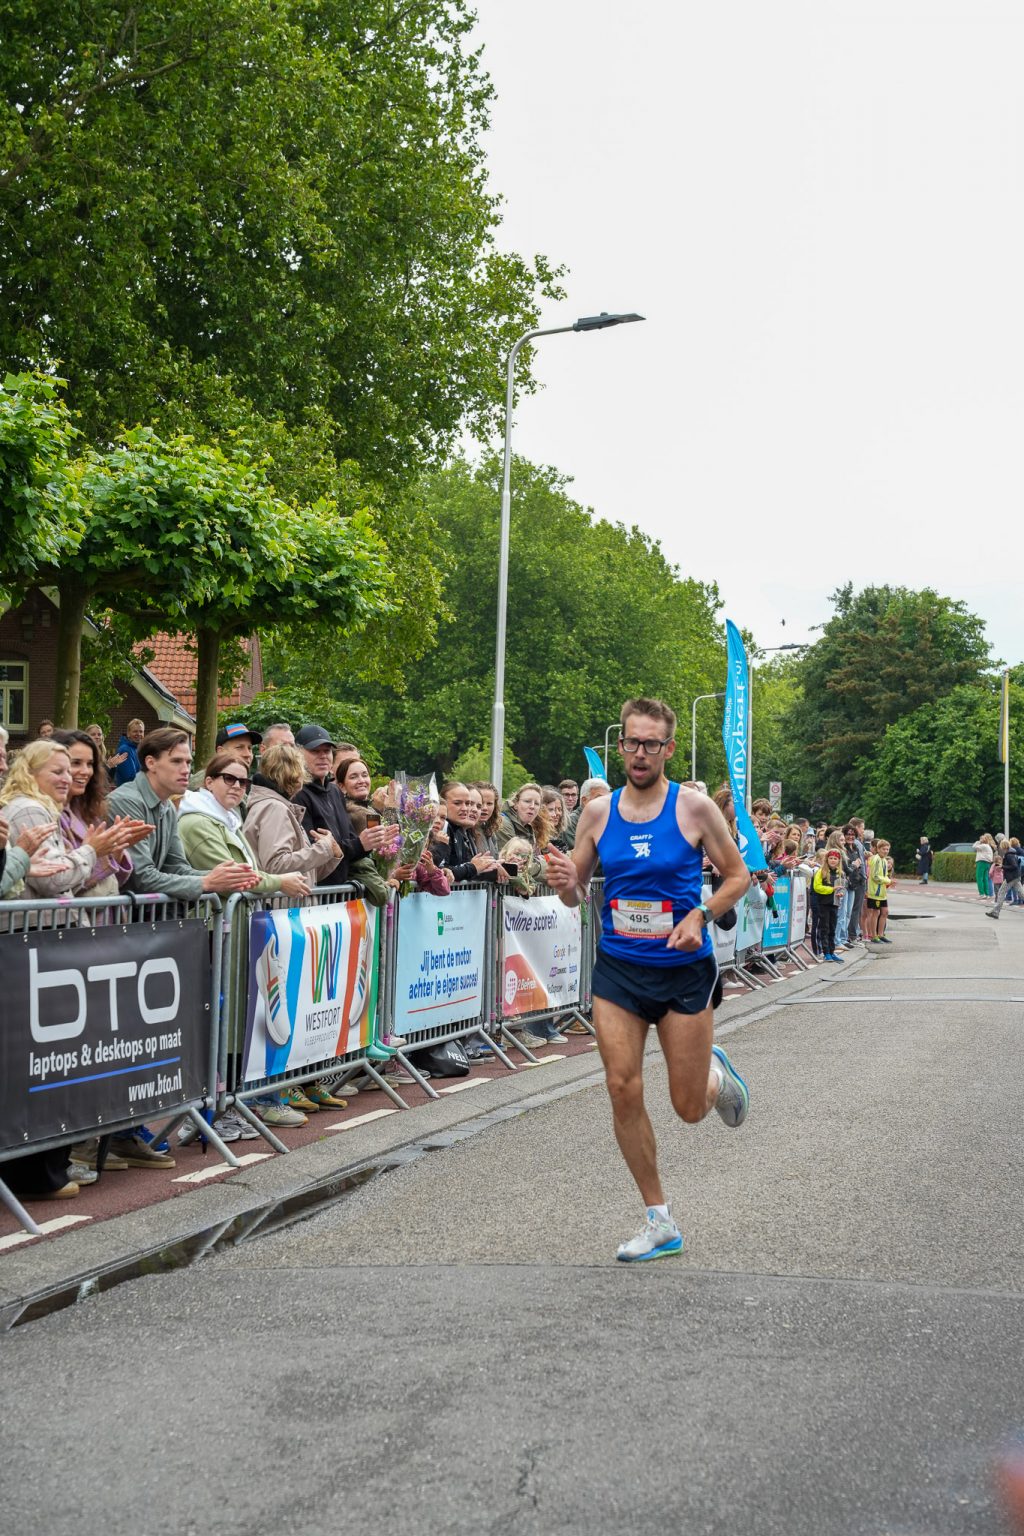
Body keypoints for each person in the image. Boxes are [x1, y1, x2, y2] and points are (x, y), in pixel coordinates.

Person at [543, 696, 750, 1263]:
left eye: (649, 744)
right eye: (630, 743)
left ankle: (713, 1075)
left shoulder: (695, 808)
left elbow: (739, 877)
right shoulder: (597, 813)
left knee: (687, 1107)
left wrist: (700, 915)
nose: (637, 754)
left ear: (668, 748)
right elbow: (574, 892)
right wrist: (564, 878)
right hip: (620, 970)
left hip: (683, 971)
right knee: (621, 1086)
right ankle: (659, 1220)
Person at [53, 729, 146, 898]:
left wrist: (116, 849)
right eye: (76, 763)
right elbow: (61, 885)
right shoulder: (48, 814)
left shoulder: (89, 811)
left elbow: (111, 881)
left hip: (104, 919)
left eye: (90, 764)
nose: (85, 771)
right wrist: (95, 852)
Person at [291, 725, 389, 886]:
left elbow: (349, 844)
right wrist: (359, 844)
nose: (323, 756)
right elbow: (312, 851)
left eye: (327, 751)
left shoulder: (335, 792)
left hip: (339, 895)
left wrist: (369, 843)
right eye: (315, 751)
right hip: (313, 892)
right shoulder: (297, 793)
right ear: (298, 754)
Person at [811, 848, 844, 961]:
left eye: (835, 858)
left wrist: (840, 894)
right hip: (823, 903)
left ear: (839, 861)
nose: (833, 860)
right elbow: (817, 887)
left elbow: (841, 888)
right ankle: (826, 952)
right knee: (824, 928)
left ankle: (832, 951)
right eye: (831, 858)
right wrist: (831, 889)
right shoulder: (821, 871)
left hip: (834, 904)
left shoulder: (840, 873)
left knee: (832, 928)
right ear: (827, 859)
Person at [864, 838, 894, 942]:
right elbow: (875, 876)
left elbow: (884, 875)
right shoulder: (876, 859)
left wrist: (888, 881)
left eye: (887, 849)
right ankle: (873, 935)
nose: (886, 851)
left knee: (885, 912)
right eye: (884, 849)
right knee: (875, 912)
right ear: (878, 849)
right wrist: (888, 881)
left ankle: (881, 934)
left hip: (882, 892)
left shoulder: (885, 861)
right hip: (875, 892)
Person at [987, 839, 1022, 918]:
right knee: (1021, 893)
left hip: (1011, 877)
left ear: (1003, 846)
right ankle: (995, 912)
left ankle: (995, 912)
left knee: (1001, 892)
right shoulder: (1012, 853)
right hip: (1015, 876)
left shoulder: (1009, 855)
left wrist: (1002, 866)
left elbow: (1014, 866)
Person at [112, 718, 145, 786]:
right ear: (128, 734)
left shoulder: (137, 749)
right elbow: (130, 778)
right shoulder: (125, 750)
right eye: (135, 731)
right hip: (127, 793)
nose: (138, 734)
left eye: (141, 731)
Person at [973, 833, 996, 898]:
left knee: (979, 878)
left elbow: (974, 846)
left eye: (981, 839)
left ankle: (982, 893)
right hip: (987, 863)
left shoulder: (983, 846)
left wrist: (978, 842)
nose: (979, 839)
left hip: (981, 862)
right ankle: (987, 893)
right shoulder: (988, 846)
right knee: (985, 878)